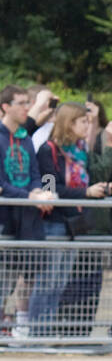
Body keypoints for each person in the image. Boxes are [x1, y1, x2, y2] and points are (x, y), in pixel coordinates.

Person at [30, 102, 110, 334]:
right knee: (47, 282)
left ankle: (45, 331)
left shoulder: (80, 150)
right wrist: (86, 192)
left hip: (74, 224)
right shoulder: (48, 151)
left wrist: (99, 188)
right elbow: (50, 190)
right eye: (83, 121)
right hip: (54, 223)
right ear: (69, 123)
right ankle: (36, 333)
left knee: (59, 284)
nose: (88, 125)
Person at [1, 85, 57, 336]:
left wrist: (39, 192)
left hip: (27, 213)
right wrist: (31, 196)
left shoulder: (25, 137)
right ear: (6, 107)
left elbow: (35, 174)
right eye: (22, 103)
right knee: (4, 277)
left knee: (29, 270)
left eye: (27, 102)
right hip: (6, 214)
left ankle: (21, 327)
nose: (27, 108)